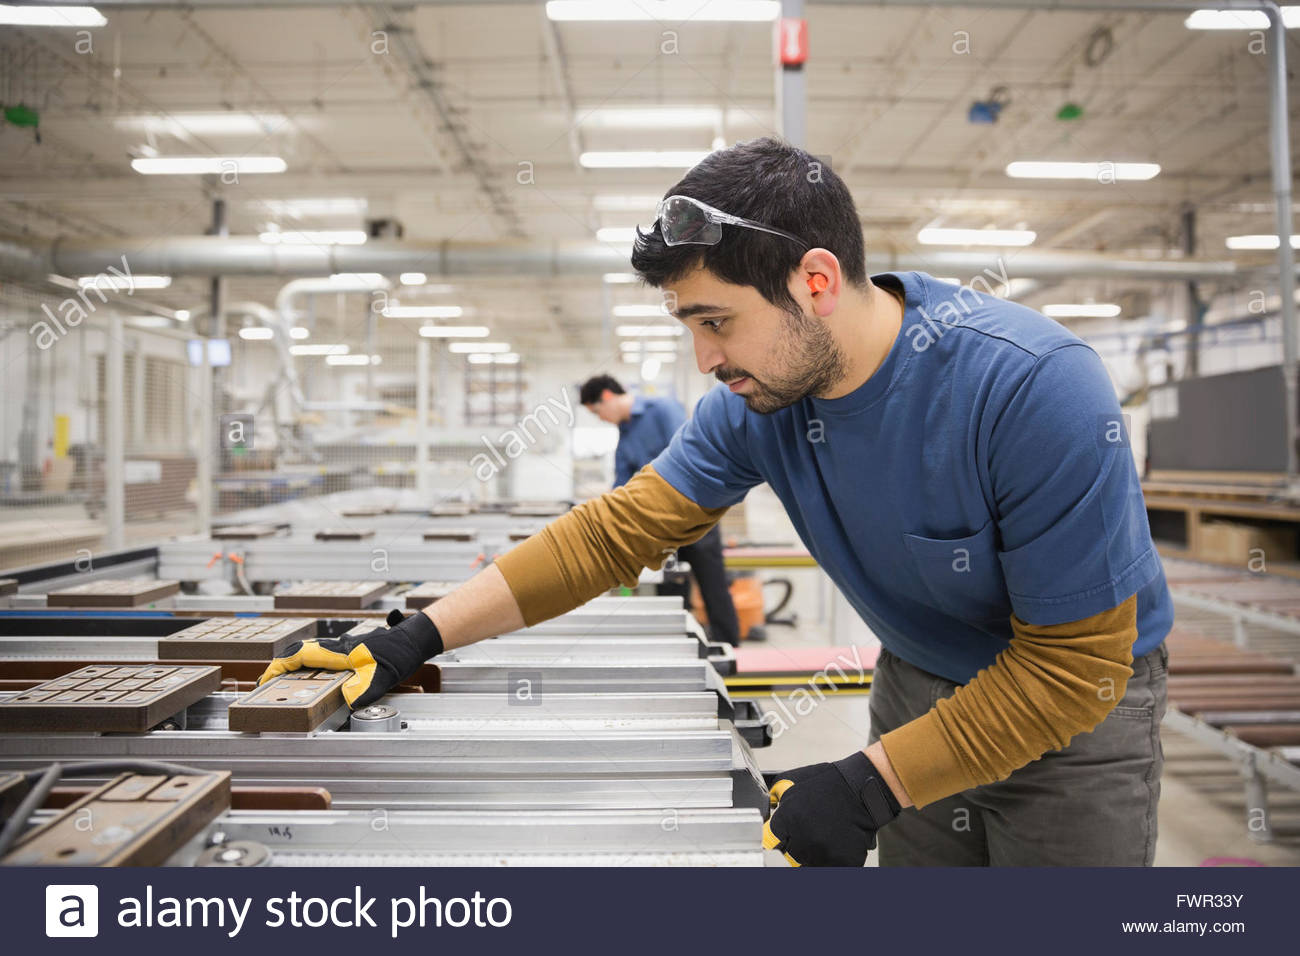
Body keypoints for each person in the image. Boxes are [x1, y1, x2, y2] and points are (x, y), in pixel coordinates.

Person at [259, 137, 1173, 868]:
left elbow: (1068, 673)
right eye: (689, 326)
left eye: (715, 321)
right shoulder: (756, 405)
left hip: (1080, 717)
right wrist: (414, 636)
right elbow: (612, 536)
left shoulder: (1032, 390)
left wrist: (867, 787)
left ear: (815, 283)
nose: (704, 361)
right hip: (920, 681)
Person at [578, 373, 741, 647]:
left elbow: (692, 455)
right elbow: (622, 483)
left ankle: (728, 646)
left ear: (607, 397)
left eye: (596, 412)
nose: (600, 418)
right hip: (661, 526)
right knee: (671, 587)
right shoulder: (625, 434)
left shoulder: (662, 410)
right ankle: (681, 647)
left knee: (712, 582)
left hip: (697, 513)